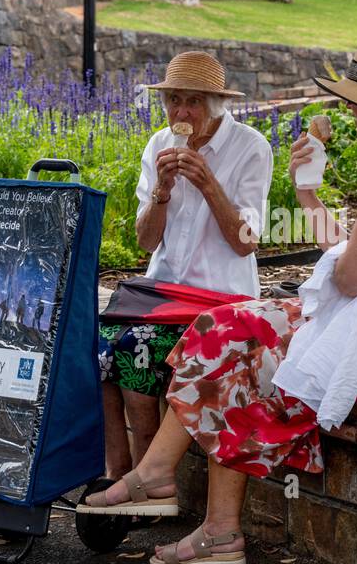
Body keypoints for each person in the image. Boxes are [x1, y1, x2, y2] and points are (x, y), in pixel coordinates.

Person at [80, 41, 357, 564]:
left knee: (226, 337)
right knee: (224, 337)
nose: (348, 110)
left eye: (353, 99)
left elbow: (353, 275)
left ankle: (172, 491)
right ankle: (203, 518)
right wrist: (308, 197)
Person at [94, 51, 273, 485]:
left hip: (221, 300)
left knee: (137, 347)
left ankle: (148, 480)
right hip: (163, 294)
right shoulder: (158, 144)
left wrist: (209, 184)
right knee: (98, 346)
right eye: (174, 100)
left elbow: (246, 244)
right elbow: (146, 241)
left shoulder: (250, 146)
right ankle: (121, 472)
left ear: (214, 105)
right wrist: (161, 191)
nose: (181, 112)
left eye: (192, 101)